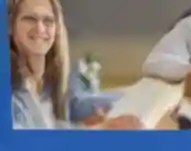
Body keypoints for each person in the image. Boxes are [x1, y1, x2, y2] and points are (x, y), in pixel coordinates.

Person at [8, 0, 140, 129]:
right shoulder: (11, 90)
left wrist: (86, 127)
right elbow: (25, 143)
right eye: (30, 19)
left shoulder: (45, 86)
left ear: (56, 30)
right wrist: (100, 128)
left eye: (48, 21)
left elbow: (49, 127)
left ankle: (89, 70)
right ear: (10, 26)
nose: (40, 28)